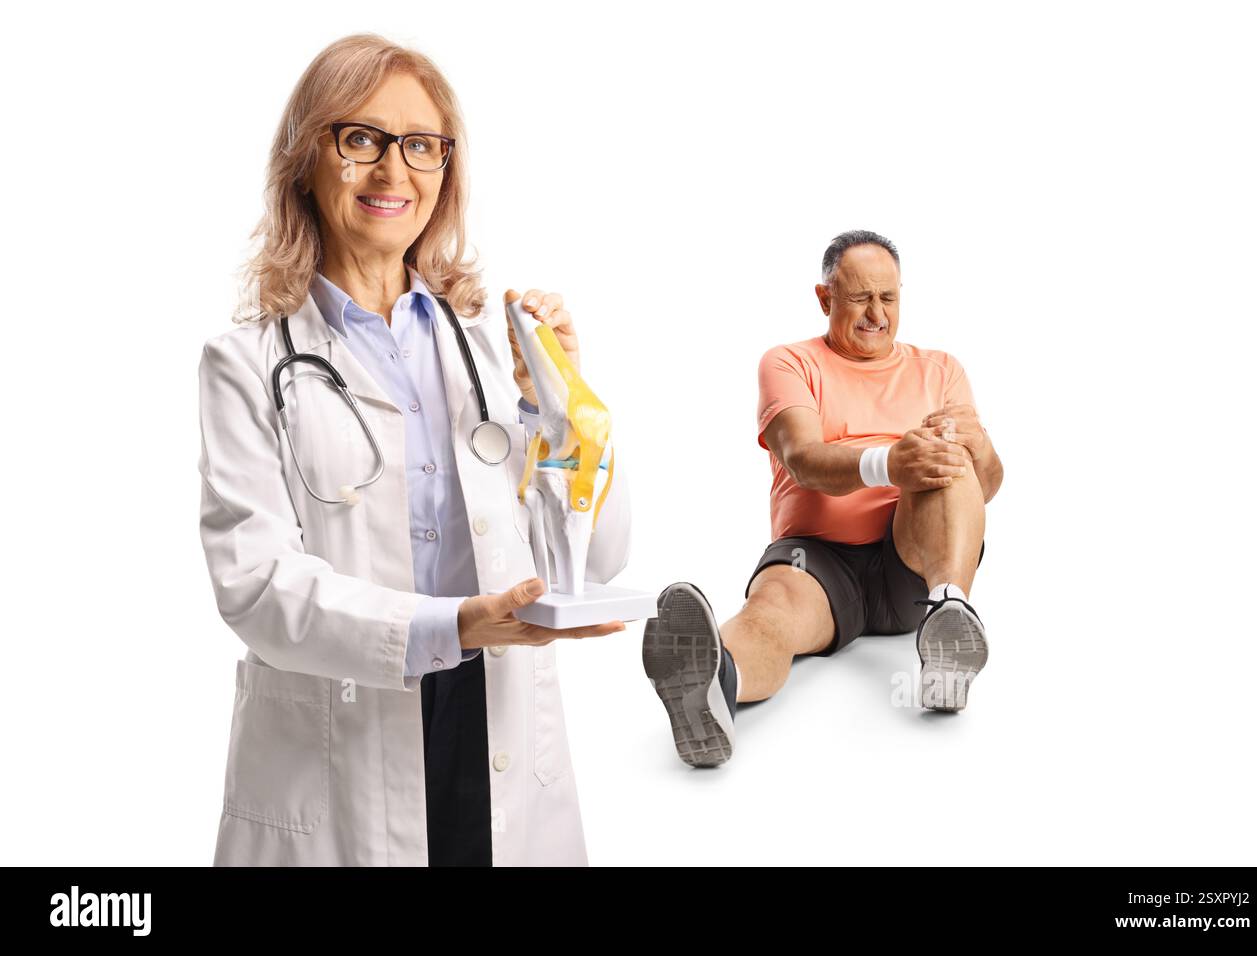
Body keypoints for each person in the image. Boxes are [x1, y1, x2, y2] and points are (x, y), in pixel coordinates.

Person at [197, 33, 630, 865]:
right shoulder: (244, 363)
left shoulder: (488, 350)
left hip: (495, 717)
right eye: (361, 139)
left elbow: (597, 560)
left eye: (422, 146)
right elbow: (254, 585)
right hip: (343, 724)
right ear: (305, 160)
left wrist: (564, 404)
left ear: (446, 171)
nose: (395, 171)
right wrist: (454, 624)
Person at [642, 230, 1003, 767]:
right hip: (819, 560)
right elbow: (803, 458)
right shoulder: (789, 363)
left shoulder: (941, 369)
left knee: (947, 464)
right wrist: (889, 463)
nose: (876, 313)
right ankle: (716, 684)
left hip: (913, 565)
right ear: (825, 297)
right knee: (770, 615)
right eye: (860, 298)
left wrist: (982, 450)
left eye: (888, 298)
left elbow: (985, 488)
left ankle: (948, 614)